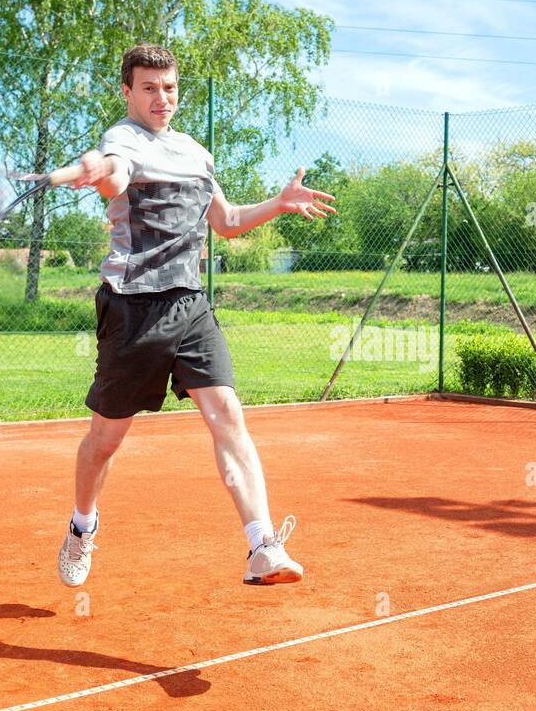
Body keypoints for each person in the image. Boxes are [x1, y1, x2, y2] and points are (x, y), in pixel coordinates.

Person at [58, 42, 335, 588]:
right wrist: (97, 171)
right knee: (105, 441)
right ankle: (81, 526)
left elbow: (227, 220)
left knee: (227, 415)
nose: (162, 98)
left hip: (190, 304)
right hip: (132, 310)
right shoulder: (121, 140)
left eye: (170, 88)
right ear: (127, 91)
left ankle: (262, 547)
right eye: (149, 88)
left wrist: (277, 203)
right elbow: (116, 175)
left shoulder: (196, 153)